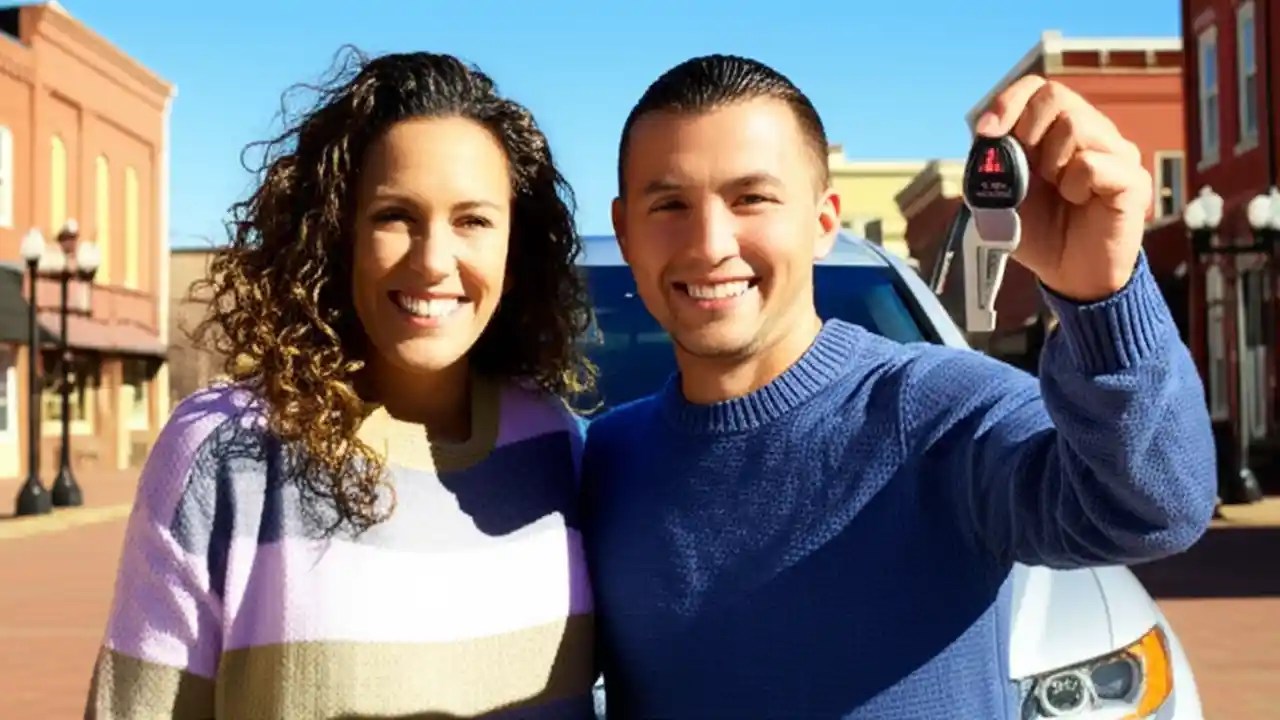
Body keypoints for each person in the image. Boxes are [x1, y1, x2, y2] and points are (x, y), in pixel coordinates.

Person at [582, 54, 1217, 718]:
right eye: (670, 204)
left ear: (825, 221)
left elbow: (1154, 509)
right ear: (626, 229)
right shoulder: (604, 459)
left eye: (753, 198)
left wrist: (1104, 299)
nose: (710, 243)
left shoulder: (940, 411)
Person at [87, 49, 598, 719]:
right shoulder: (228, 453)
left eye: (473, 220)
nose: (433, 261)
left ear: (515, 244)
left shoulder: (558, 441)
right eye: (395, 216)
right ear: (337, 235)